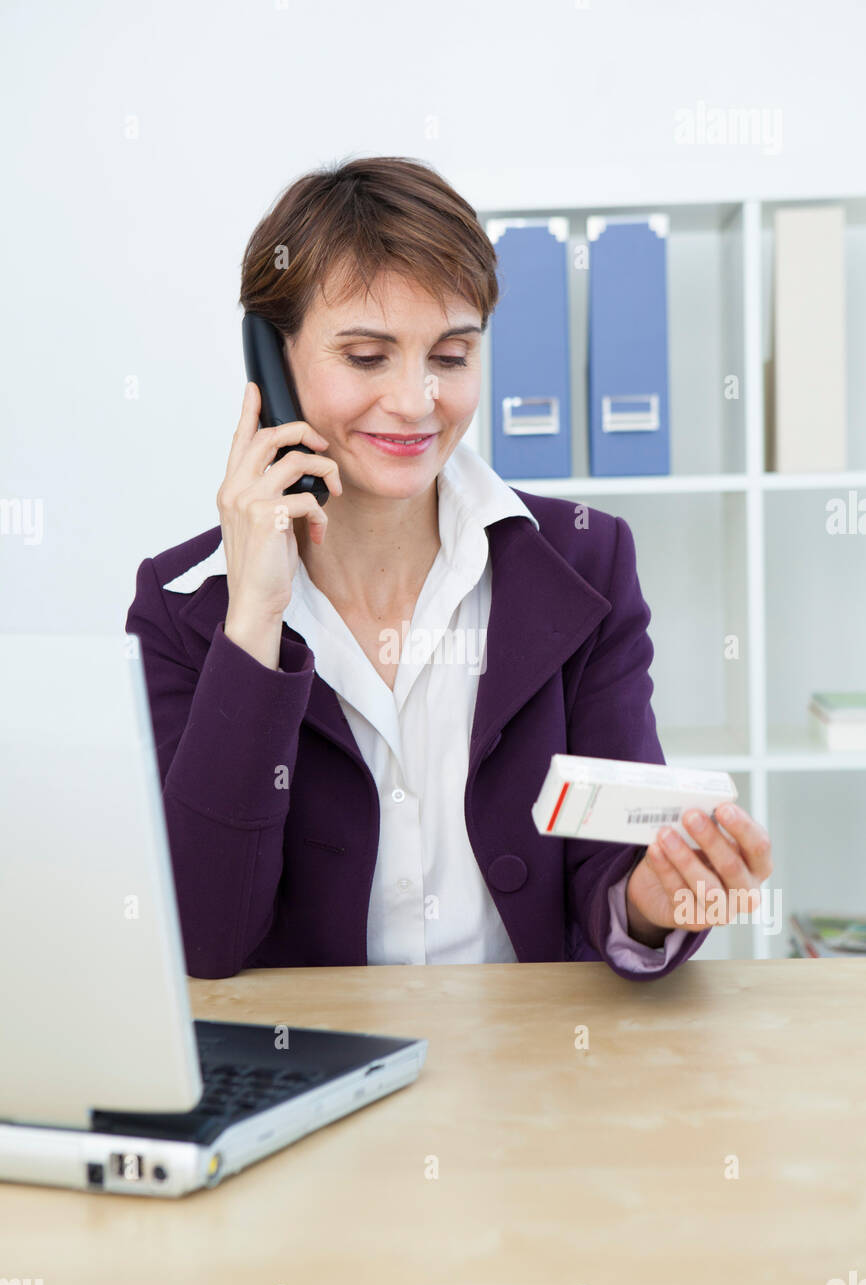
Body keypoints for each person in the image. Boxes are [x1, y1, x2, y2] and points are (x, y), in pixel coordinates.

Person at [125, 155, 773, 980]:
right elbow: (202, 938)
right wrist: (252, 621)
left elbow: (616, 870)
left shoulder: (583, 560)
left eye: (452, 354)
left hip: (531, 1075)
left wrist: (652, 902)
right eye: (366, 356)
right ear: (270, 364)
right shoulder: (184, 606)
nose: (416, 399)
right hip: (313, 1080)